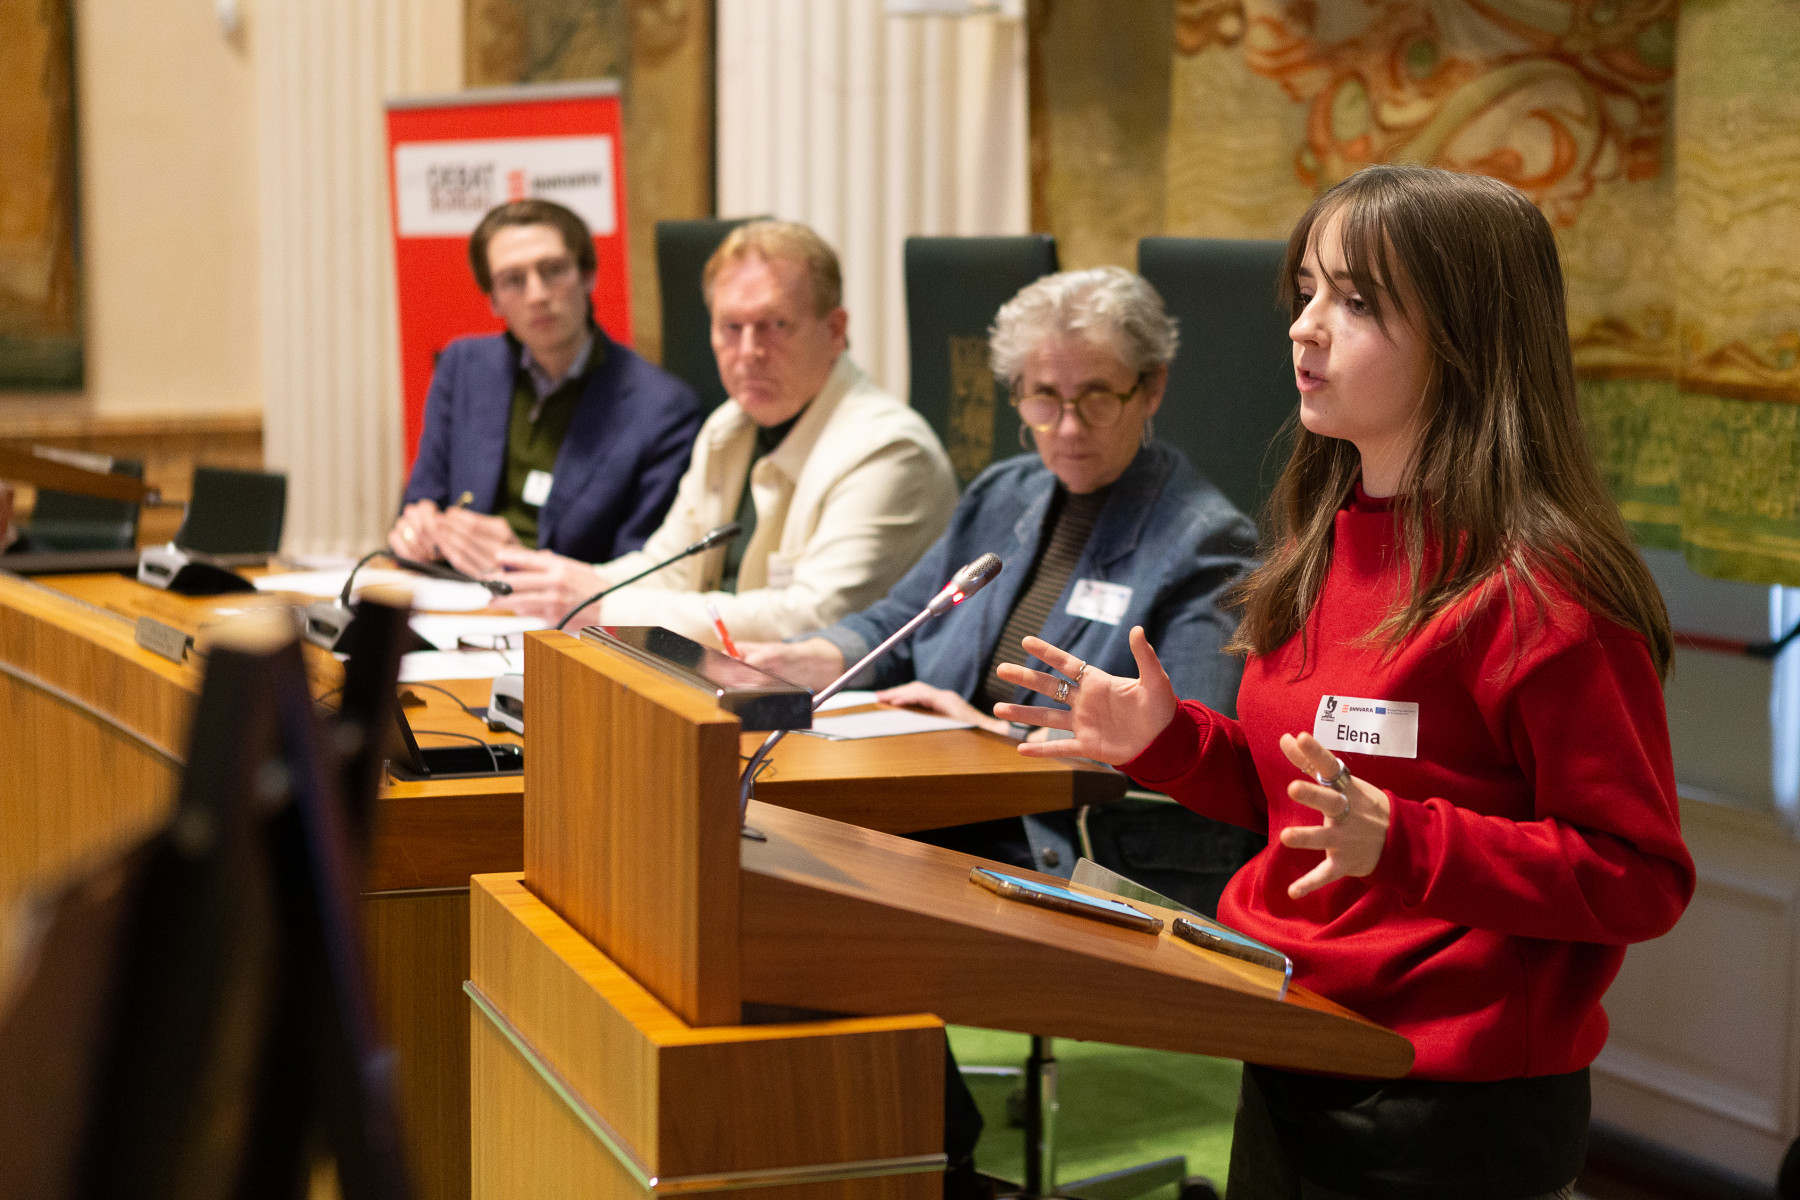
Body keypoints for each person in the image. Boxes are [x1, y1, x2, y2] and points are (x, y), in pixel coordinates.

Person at [997, 164, 1696, 1197]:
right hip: (1290, 1028)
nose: (1304, 328)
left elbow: (1639, 876)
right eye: (1307, 291)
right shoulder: (1324, 543)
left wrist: (1404, 841)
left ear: (1465, 339)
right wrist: (1168, 744)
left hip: (1447, 1101)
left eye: (1356, 302)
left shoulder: (1546, 596)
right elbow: (1304, 808)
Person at [741, 266, 1261, 909]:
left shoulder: (1205, 543)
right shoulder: (1004, 493)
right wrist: (812, 656)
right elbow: (904, 621)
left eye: (1097, 396)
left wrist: (992, 735)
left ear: (1151, 388)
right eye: (1044, 398)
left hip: (1057, 846)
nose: (1067, 428)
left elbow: (1188, 755)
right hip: (943, 806)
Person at [494, 220, 957, 644]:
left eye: (775, 325)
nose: (749, 351)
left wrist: (603, 606)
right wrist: (565, 586)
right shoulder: (728, 427)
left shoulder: (889, 451)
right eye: (731, 327)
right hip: (733, 677)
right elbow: (670, 567)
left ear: (835, 330)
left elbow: (813, 618)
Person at [391, 199, 701, 574]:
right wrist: (416, 531)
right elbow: (423, 497)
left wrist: (521, 562)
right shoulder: (464, 367)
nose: (537, 295)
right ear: (493, 301)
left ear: (588, 276)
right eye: (513, 280)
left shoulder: (662, 408)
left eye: (553, 270)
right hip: (449, 590)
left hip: (567, 606)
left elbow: (641, 571)